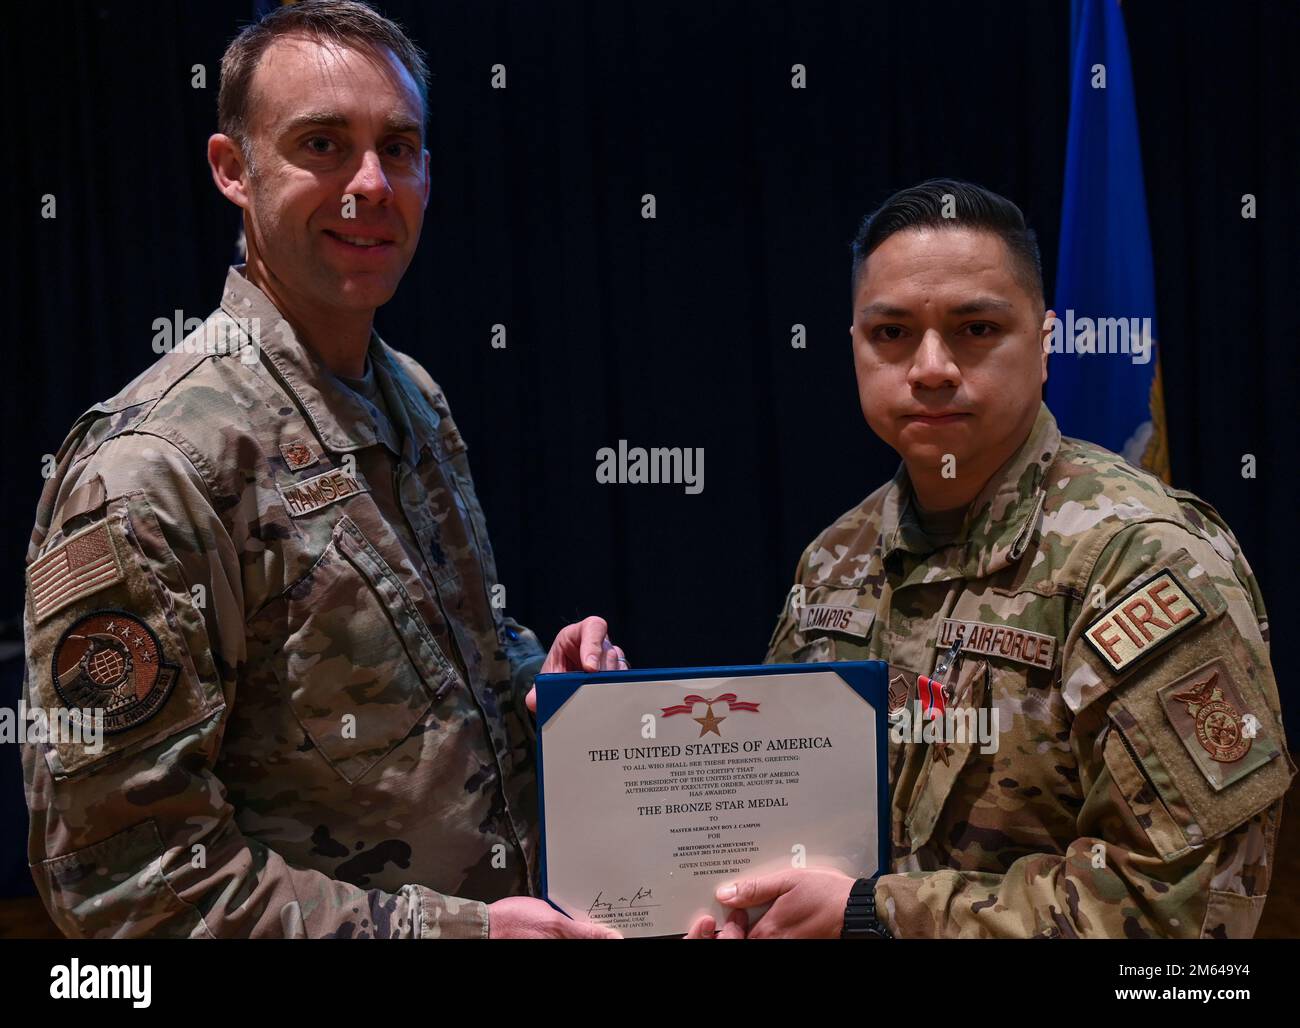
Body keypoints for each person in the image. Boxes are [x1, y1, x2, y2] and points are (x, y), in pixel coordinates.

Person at [21, 0, 623, 939]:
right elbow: (127, 891)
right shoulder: (153, 471)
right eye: (322, 145)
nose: (371, 184)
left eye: (400, 146)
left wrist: (535, 685)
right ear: (234, 170)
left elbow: (433, 652)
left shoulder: (410, 395)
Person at [690, 179, 1292, 939]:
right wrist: (622, 721)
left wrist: (873, 919)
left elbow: (1181, 913)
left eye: (976, 329)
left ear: (1044, 343)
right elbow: (779, 811)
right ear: (854, 348)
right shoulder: (835, 558)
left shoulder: (1142, 559)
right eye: (893, 333)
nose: (932, 366)